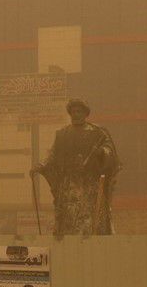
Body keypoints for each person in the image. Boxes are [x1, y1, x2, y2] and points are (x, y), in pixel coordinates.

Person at [30, 98, 122, 235]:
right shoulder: (63, 134)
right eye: (73, 111)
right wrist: (41, 165)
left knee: (90, 218)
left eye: (79, 111)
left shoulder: (98, 132)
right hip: (69, 185)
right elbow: (53, 155)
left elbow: (110, 152)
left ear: (85, 113)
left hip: (90, 184)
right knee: (69, 217)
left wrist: (102, 152)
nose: (76, 114)